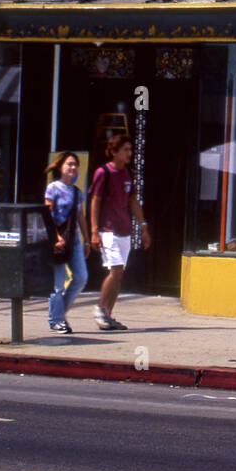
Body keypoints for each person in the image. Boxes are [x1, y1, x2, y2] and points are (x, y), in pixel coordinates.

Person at [89, 134, 151, 330]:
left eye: (131, 150)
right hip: (108, 231)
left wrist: (143, 227)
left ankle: (108, 316)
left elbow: (133, 201)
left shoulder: (129, 174)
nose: (129, 153)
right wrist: (94, 230)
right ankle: (100, 308)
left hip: (125, 231)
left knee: (119, 273)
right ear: (114, 152)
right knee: (115, 270)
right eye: (125, 150)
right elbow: (95, 202)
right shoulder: (103, 173)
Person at [44, 152, 89, 334]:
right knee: (58, 283)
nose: (73, 168)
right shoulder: (53, 188)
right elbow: (47, 215)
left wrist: (86, 240)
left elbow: (81, 216)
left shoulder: (77, 192)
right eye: (69, 164)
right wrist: (55, 238)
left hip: (74, 240)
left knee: (80, 277)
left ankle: (59, 314)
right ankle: (56, 320)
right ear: (61, 166)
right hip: (58, 241)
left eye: (75, 165)